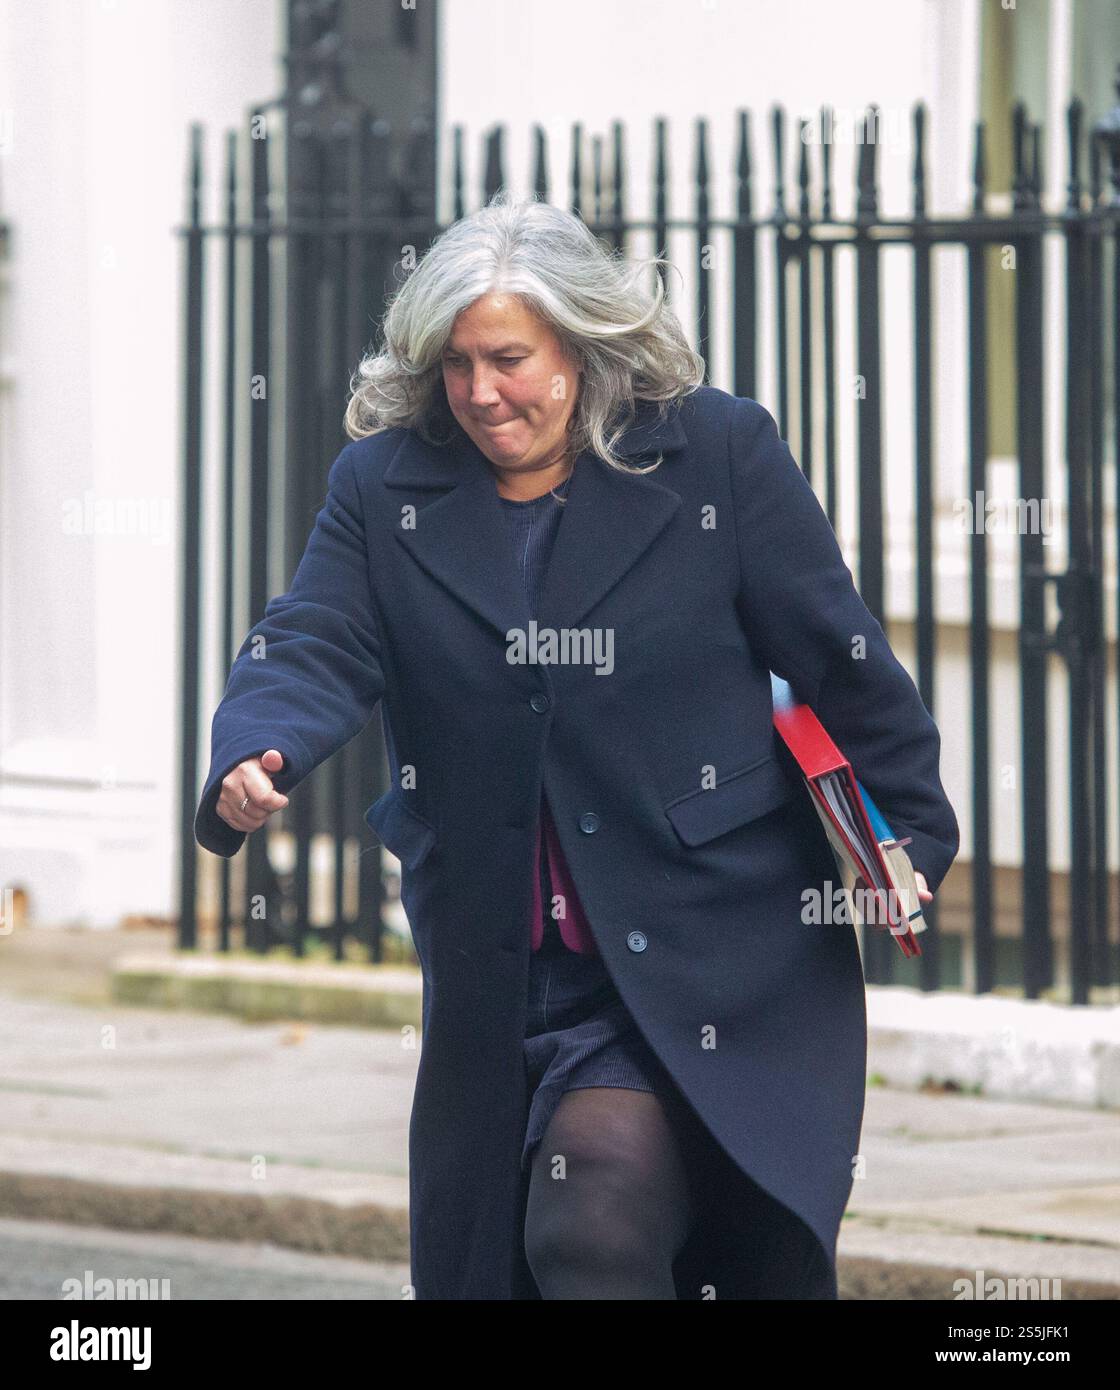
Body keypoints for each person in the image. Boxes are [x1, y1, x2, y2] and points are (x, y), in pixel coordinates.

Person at [195, 191, 958, 1300]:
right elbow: (312, 635)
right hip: (501, 971)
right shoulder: (382, 487)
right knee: (506, 1261)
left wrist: (909, 837)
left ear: (584, 344)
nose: (479, 393)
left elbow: (836, 654)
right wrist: (257, 747)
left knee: (591, 1216)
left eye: (507, 358)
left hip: (709, 948)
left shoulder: (715, 456)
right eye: (455, 363)